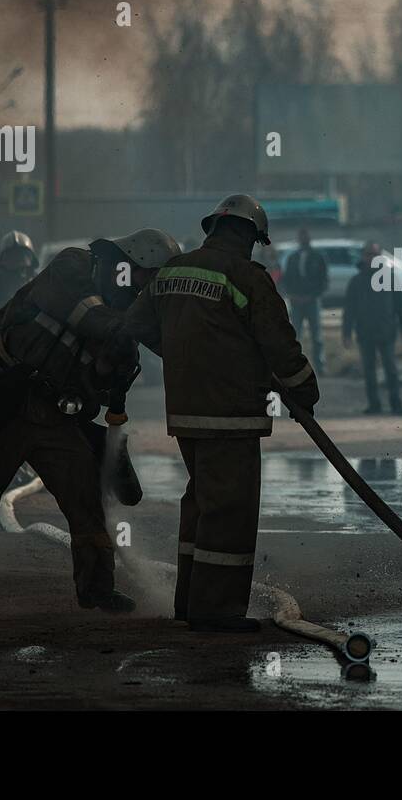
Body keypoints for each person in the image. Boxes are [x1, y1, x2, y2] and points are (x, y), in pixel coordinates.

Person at [0, 229, 181, 623]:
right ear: (134, 260)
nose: (146, 288)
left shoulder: (125, 317)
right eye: (149, 277)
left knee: (86, 494)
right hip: (4, 398)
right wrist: (135, 331)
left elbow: (104, 394)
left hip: (55, 416)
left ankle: (97, 588)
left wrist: (115, 368)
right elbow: (87, 316)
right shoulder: (75, 265)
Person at [125, 194, 319, 633]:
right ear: (250, 237)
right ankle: (217, 613)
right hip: (230, 413)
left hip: (187, 412)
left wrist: (179, 354)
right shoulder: (248, 277)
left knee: (201, 505)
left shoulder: (172, 271)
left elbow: (135, 324)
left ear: (213, 227)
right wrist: (304, 387)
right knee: (229, 511)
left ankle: (190, 604)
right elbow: (278, 343)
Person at [342, 242, 402, 415]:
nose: (371, 258)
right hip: (365, 332)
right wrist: (346, 334)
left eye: (375, 254)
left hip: (386, 331)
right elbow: (349, 310)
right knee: (369, 371)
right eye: (368, 254)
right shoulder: (357, 282)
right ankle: (374, 404)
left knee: (390, 369)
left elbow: (400, 306)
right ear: (363, 256)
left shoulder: (390, 278)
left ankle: (396, 403)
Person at [281, 227, 328, 375]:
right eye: (301, 236)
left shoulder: (317, 257)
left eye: (305, 236)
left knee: (316, 335)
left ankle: (320, 367)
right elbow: (286, 279)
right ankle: (295, 366)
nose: (303, 239)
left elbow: (323, 280)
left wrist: (312, 295)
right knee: (295, 335)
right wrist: (291, 295)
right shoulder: (292, 258)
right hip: (296, 302)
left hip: (312, 301)